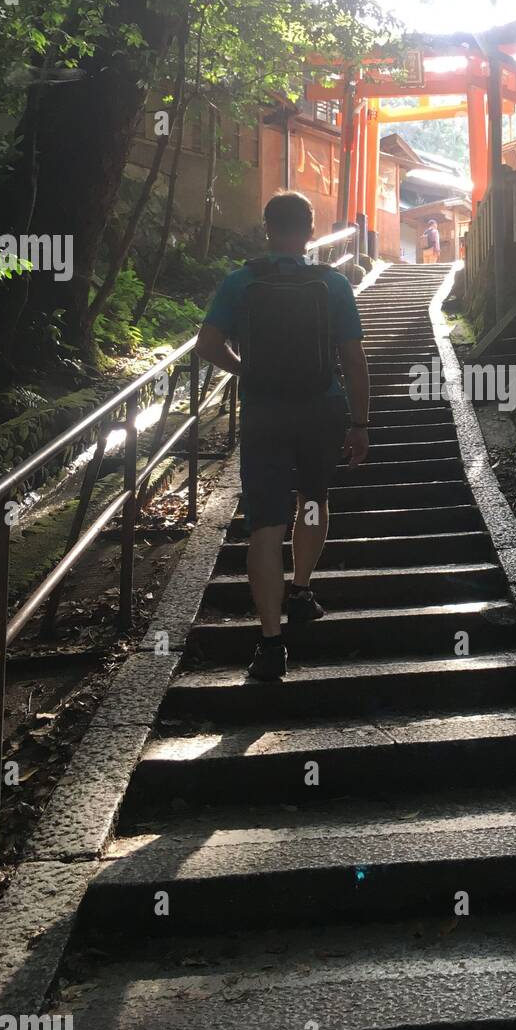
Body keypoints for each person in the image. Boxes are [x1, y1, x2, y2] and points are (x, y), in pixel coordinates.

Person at [196, 191, 370, 681]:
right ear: (311, 232)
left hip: (264, 416)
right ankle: (301, 589)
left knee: (265, 526)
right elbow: (354, 361)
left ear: (267, 229)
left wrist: (245, 370)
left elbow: (206, 344)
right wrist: (360, 424)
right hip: (320, 411)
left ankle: (270, 644)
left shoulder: (241, 282)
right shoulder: (332, 284)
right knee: (312, 500)